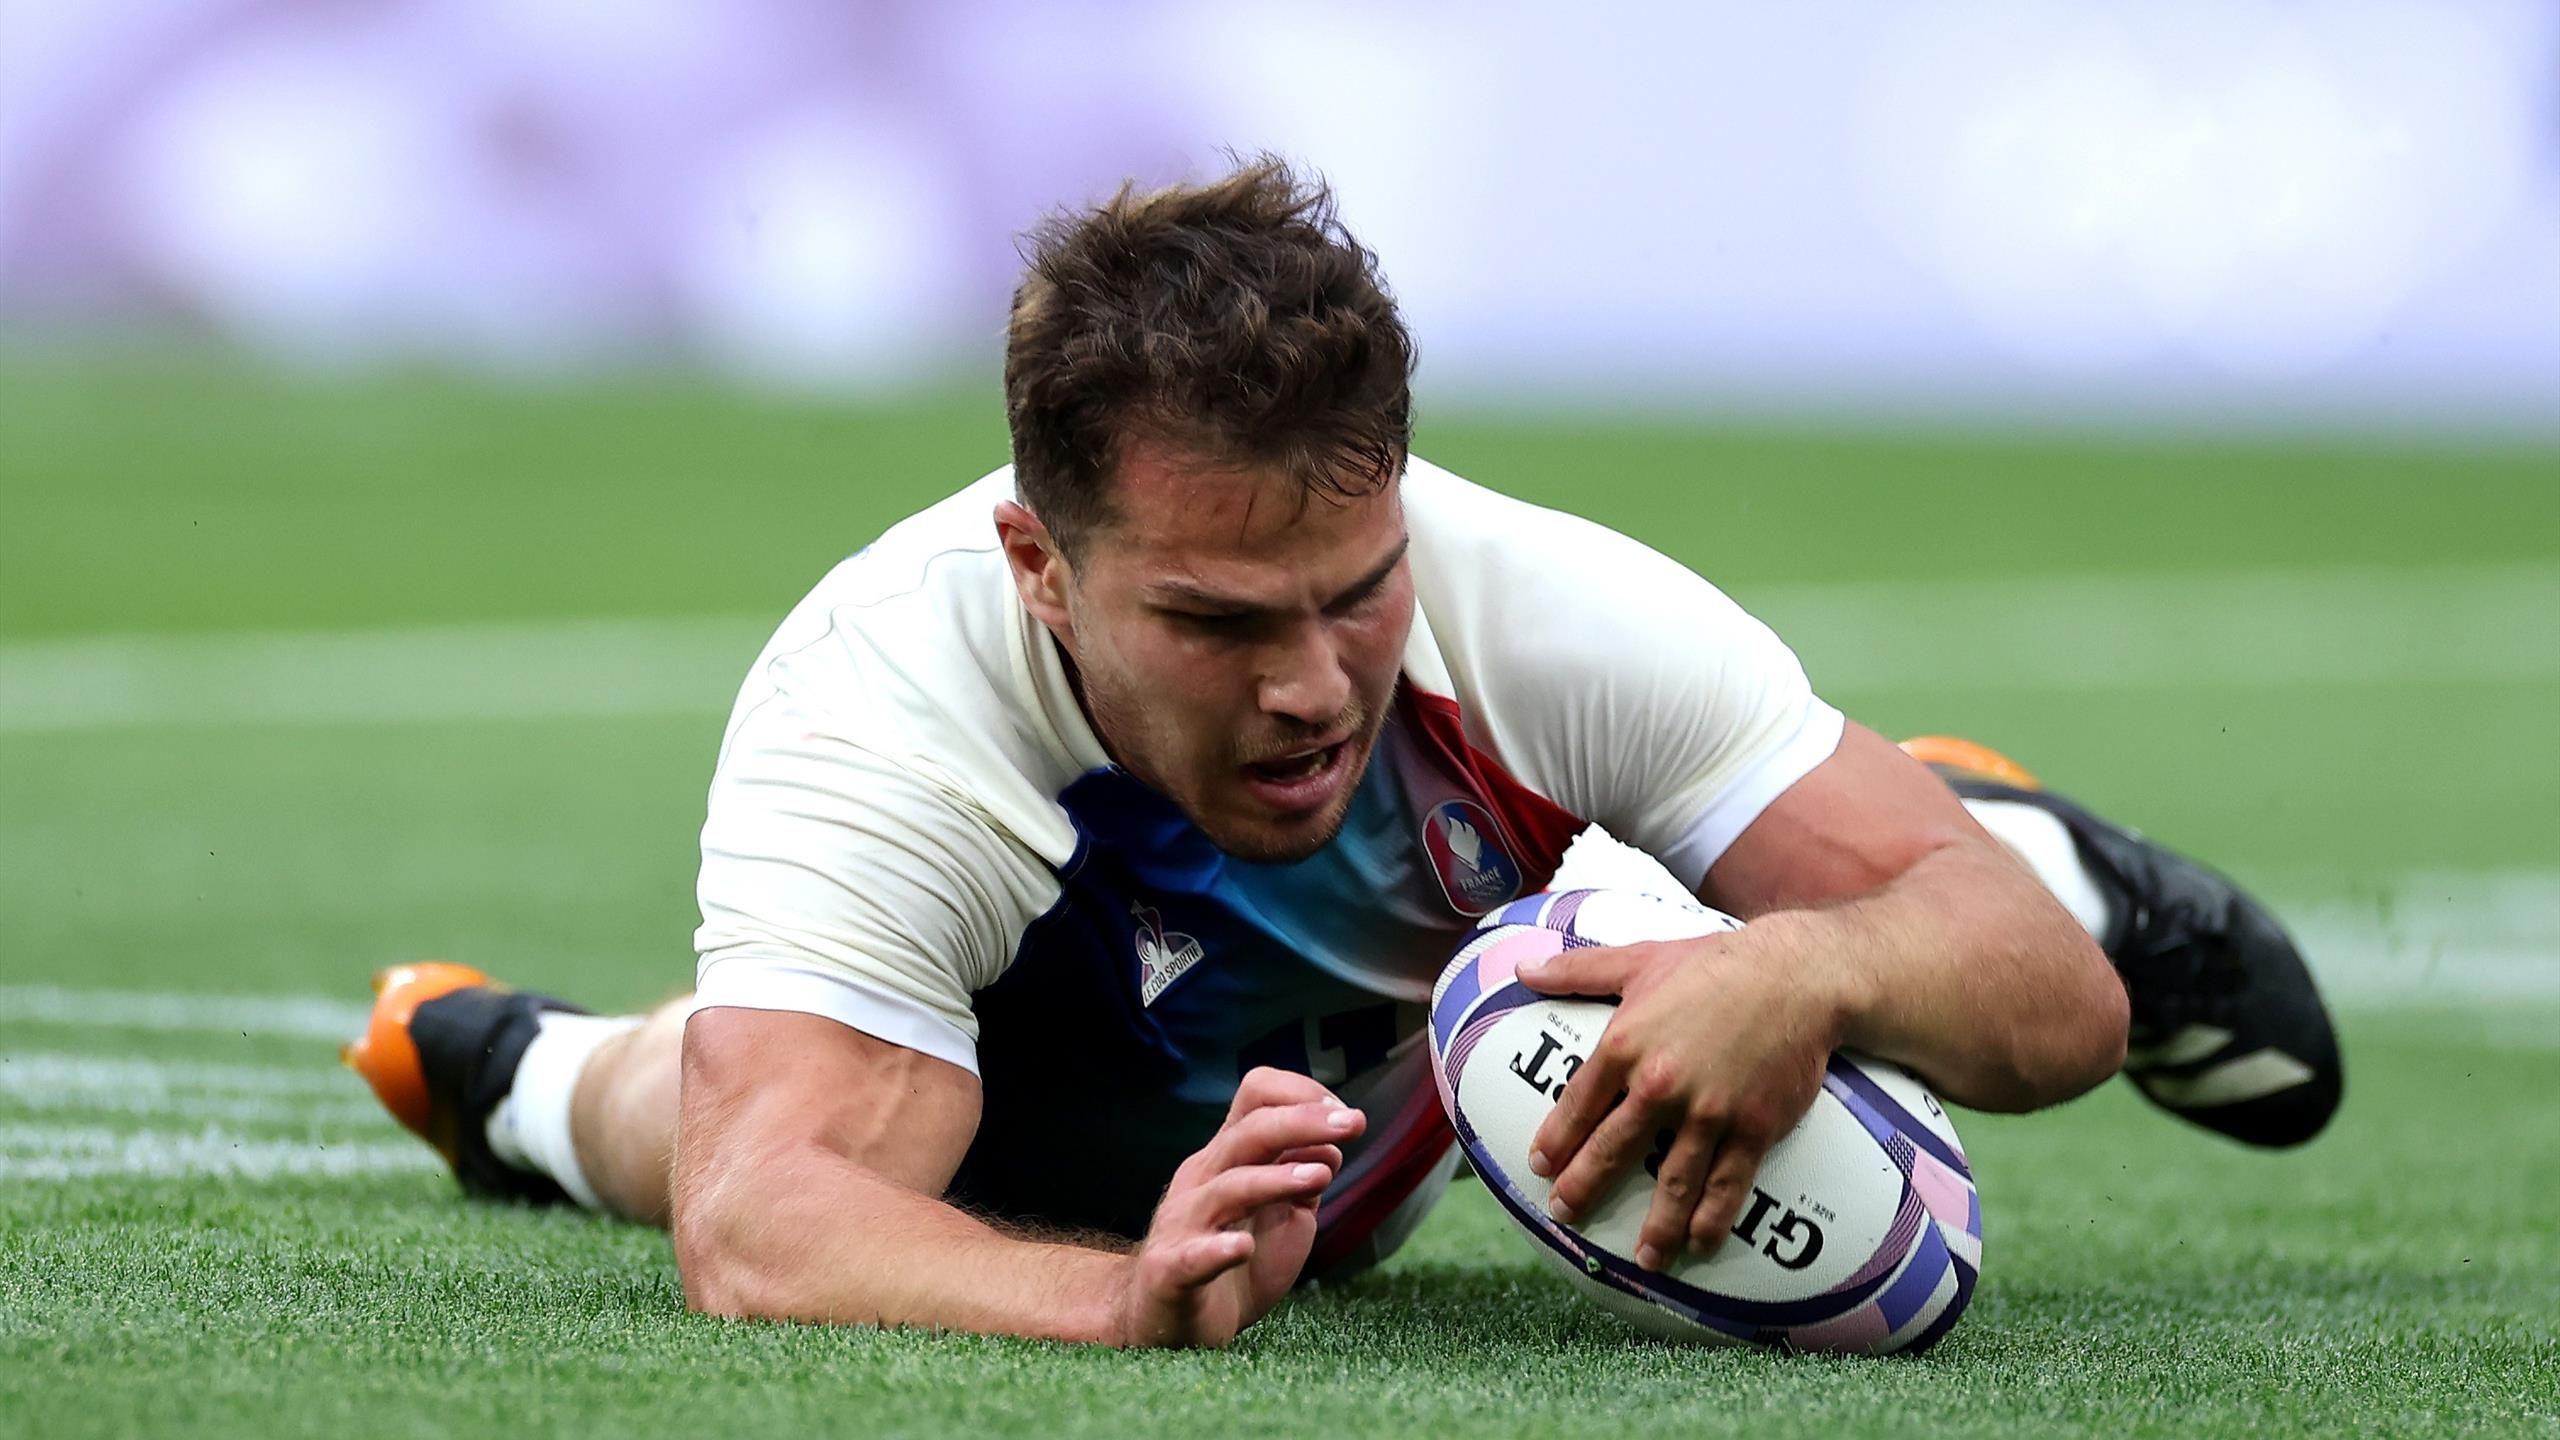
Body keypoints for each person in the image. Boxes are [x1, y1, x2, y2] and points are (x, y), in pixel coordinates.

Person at [343, 158, 2340, 1348]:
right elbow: (763, 1224)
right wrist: (1113, 1300)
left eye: (1355, 593)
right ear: (1042, 568)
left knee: (1842, 918)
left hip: (1413, 1075)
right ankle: (520, 1075)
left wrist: (1814, 964)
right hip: (1080, 1103)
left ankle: (1909, 836)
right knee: (710, 1109)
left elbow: (2064, 1016)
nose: (1311, 682)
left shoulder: (1541, 607)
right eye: (1219, 622)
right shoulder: (883, 694)